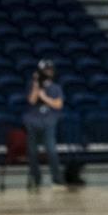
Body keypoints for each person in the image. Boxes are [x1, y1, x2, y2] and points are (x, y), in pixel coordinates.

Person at [23, 60, 65, 188]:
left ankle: (57, 179)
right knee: (32, 152)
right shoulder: (32, 85)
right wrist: (37, 85)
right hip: (33, 121)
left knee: (51, 150)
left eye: (50, 70)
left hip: (48, 121)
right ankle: (36, 178)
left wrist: (45, 97)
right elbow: (31, 100)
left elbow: (58, 105)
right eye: (45, 70)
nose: (48, 72)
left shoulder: (56, 87)